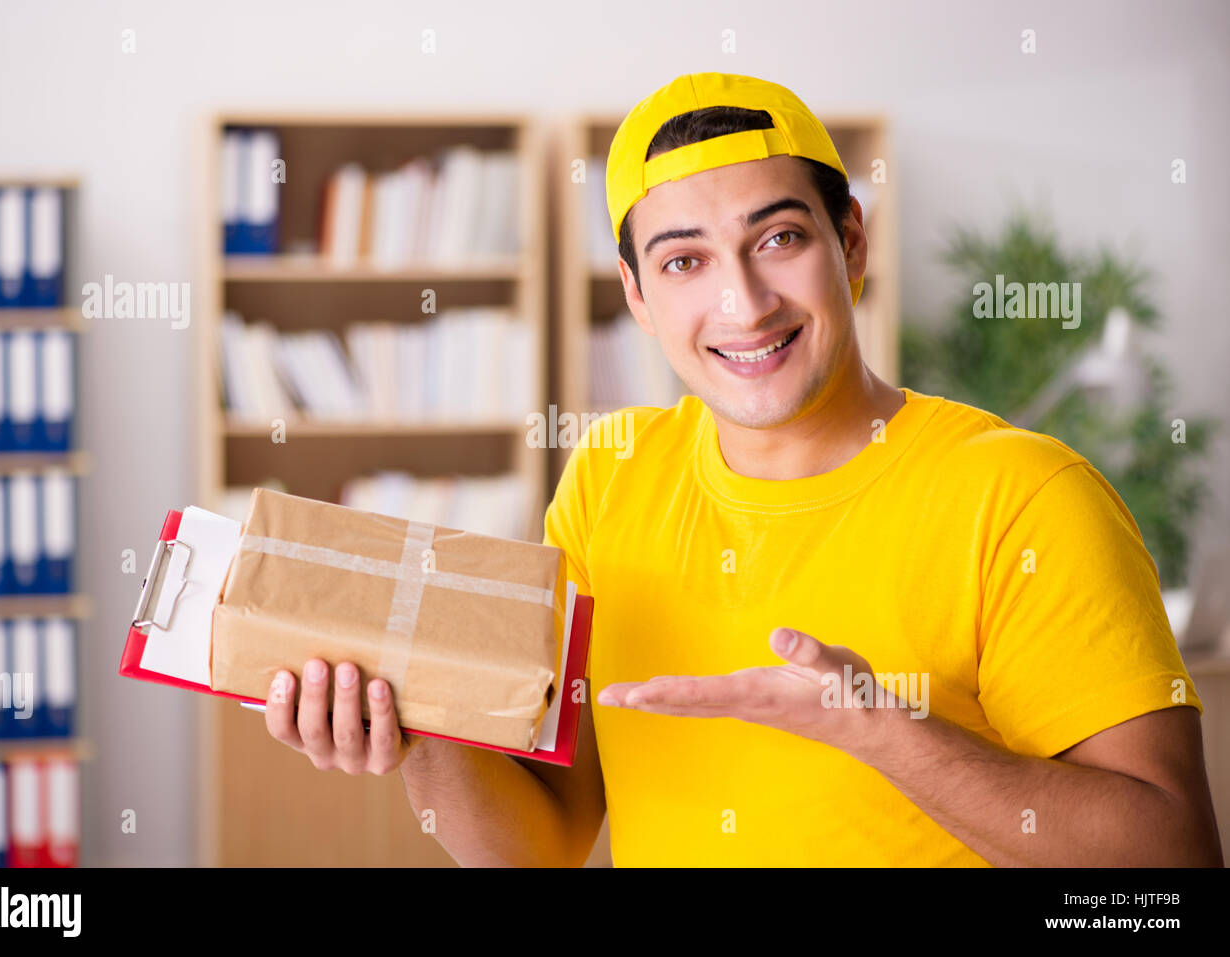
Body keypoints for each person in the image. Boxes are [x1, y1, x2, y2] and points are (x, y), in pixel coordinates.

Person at [263, 72, 1222, 866]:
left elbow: (1171, 864)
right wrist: (417, 731)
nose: (744, 301)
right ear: (637, 296)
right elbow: (543, 844)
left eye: (779, 238)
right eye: (685, 262)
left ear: (850, 243)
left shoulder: (1023, 497)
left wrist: (880, 730)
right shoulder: (609, 478)